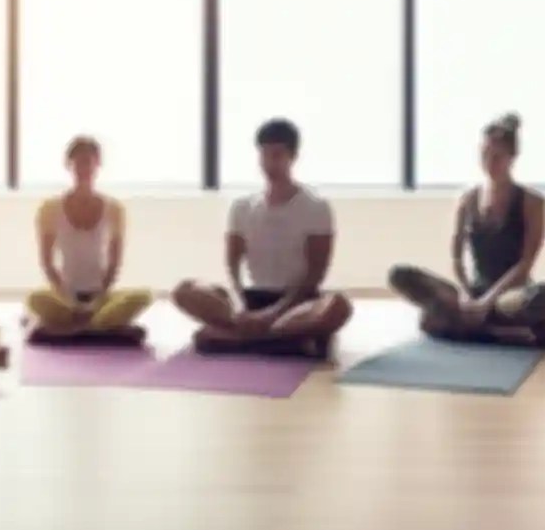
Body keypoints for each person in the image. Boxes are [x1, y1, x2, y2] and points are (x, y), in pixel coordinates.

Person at [172, 119, 351, 357]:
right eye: (264, 155)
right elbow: (232, 263)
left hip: (294, 303)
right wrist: (239, 306)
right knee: (185, 290)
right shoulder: (242, 207)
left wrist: (275, 312)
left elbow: (316, 272)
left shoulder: (316, 207)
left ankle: (242, 337)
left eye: (277, 156)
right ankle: (279, 340)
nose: (269, 163)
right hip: (251, 299)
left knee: (338, 306)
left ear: (293, 157)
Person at [389, 114, 545, 347]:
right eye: (484, 155)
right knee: (399, 274)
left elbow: (525, 263)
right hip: (473, 290)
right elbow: (457, 257)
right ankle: (499, 331)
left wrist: (487, 302)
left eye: (497, 157)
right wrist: (465, 294)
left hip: (508, 295)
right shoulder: (467, 199)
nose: (489, 163)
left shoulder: (532, 202)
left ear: (512, 158)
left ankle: (469, 326)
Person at [26, 136, 152, 345]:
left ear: (98, 165)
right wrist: (68, 298)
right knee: (35, 299)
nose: (84, 168)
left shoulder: (114, 209)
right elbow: (47, 263)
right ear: (69, 165)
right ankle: (99, 329)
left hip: (100, 296)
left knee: (143, 296)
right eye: (78, 163)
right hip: (64, 296)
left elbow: (114, 263)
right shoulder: (49, 209)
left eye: (89, 162)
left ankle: (72, 328)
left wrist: (97, 299)